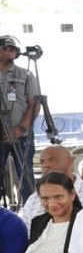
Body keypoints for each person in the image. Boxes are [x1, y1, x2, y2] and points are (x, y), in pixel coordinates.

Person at [17, 145, 83, 227]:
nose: (46, 165)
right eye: (42, 162)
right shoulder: (33, 200)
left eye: (51, 160)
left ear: (70, 161)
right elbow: (26, 231)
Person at [0, 35, 39, 201]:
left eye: (13, 49)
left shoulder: (26, 75)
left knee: (26, 175)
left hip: (22, 136)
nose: (9, 52)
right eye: (5, 48)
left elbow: (34, 104)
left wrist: (20, 129)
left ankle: (32, 210)